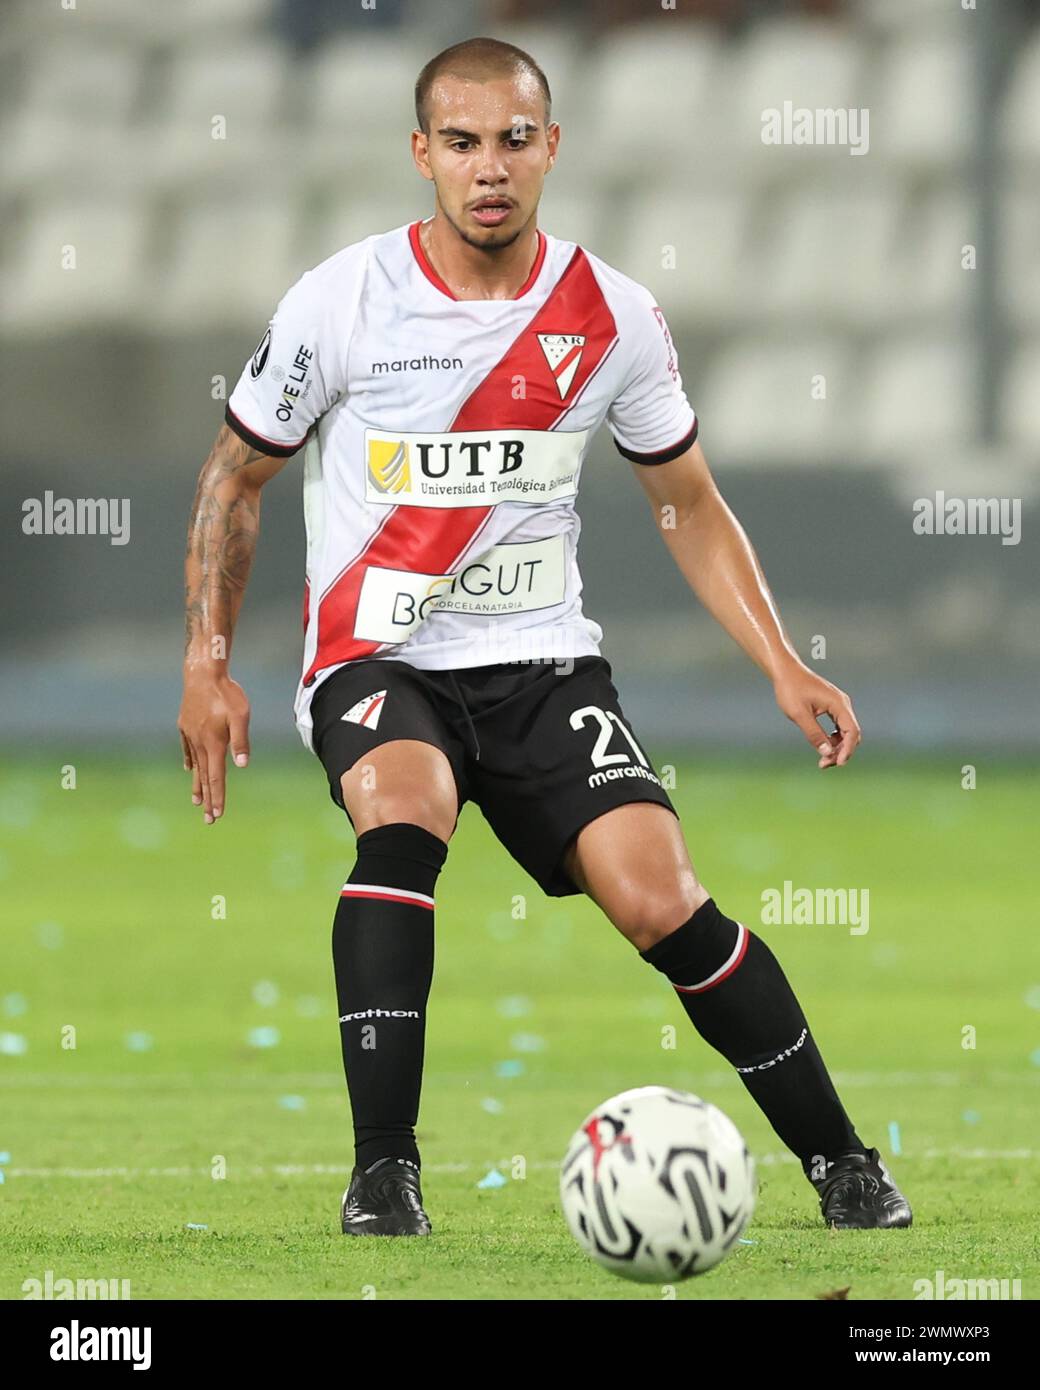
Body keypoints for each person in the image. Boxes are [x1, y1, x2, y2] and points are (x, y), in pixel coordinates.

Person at [178, 36, 911, 1237]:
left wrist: (780, 658)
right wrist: (206, 663)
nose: (488, 168)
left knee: (658, 896)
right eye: (460, 142)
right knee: (400, 816)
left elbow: (684, 501)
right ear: (420, 153)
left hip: (540, 663)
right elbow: (235, 476)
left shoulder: (609, 313)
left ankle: (841, 1162)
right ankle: (383, 1171)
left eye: (513, 140)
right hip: (379, 657)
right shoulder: (342, 299)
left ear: (551, 147)